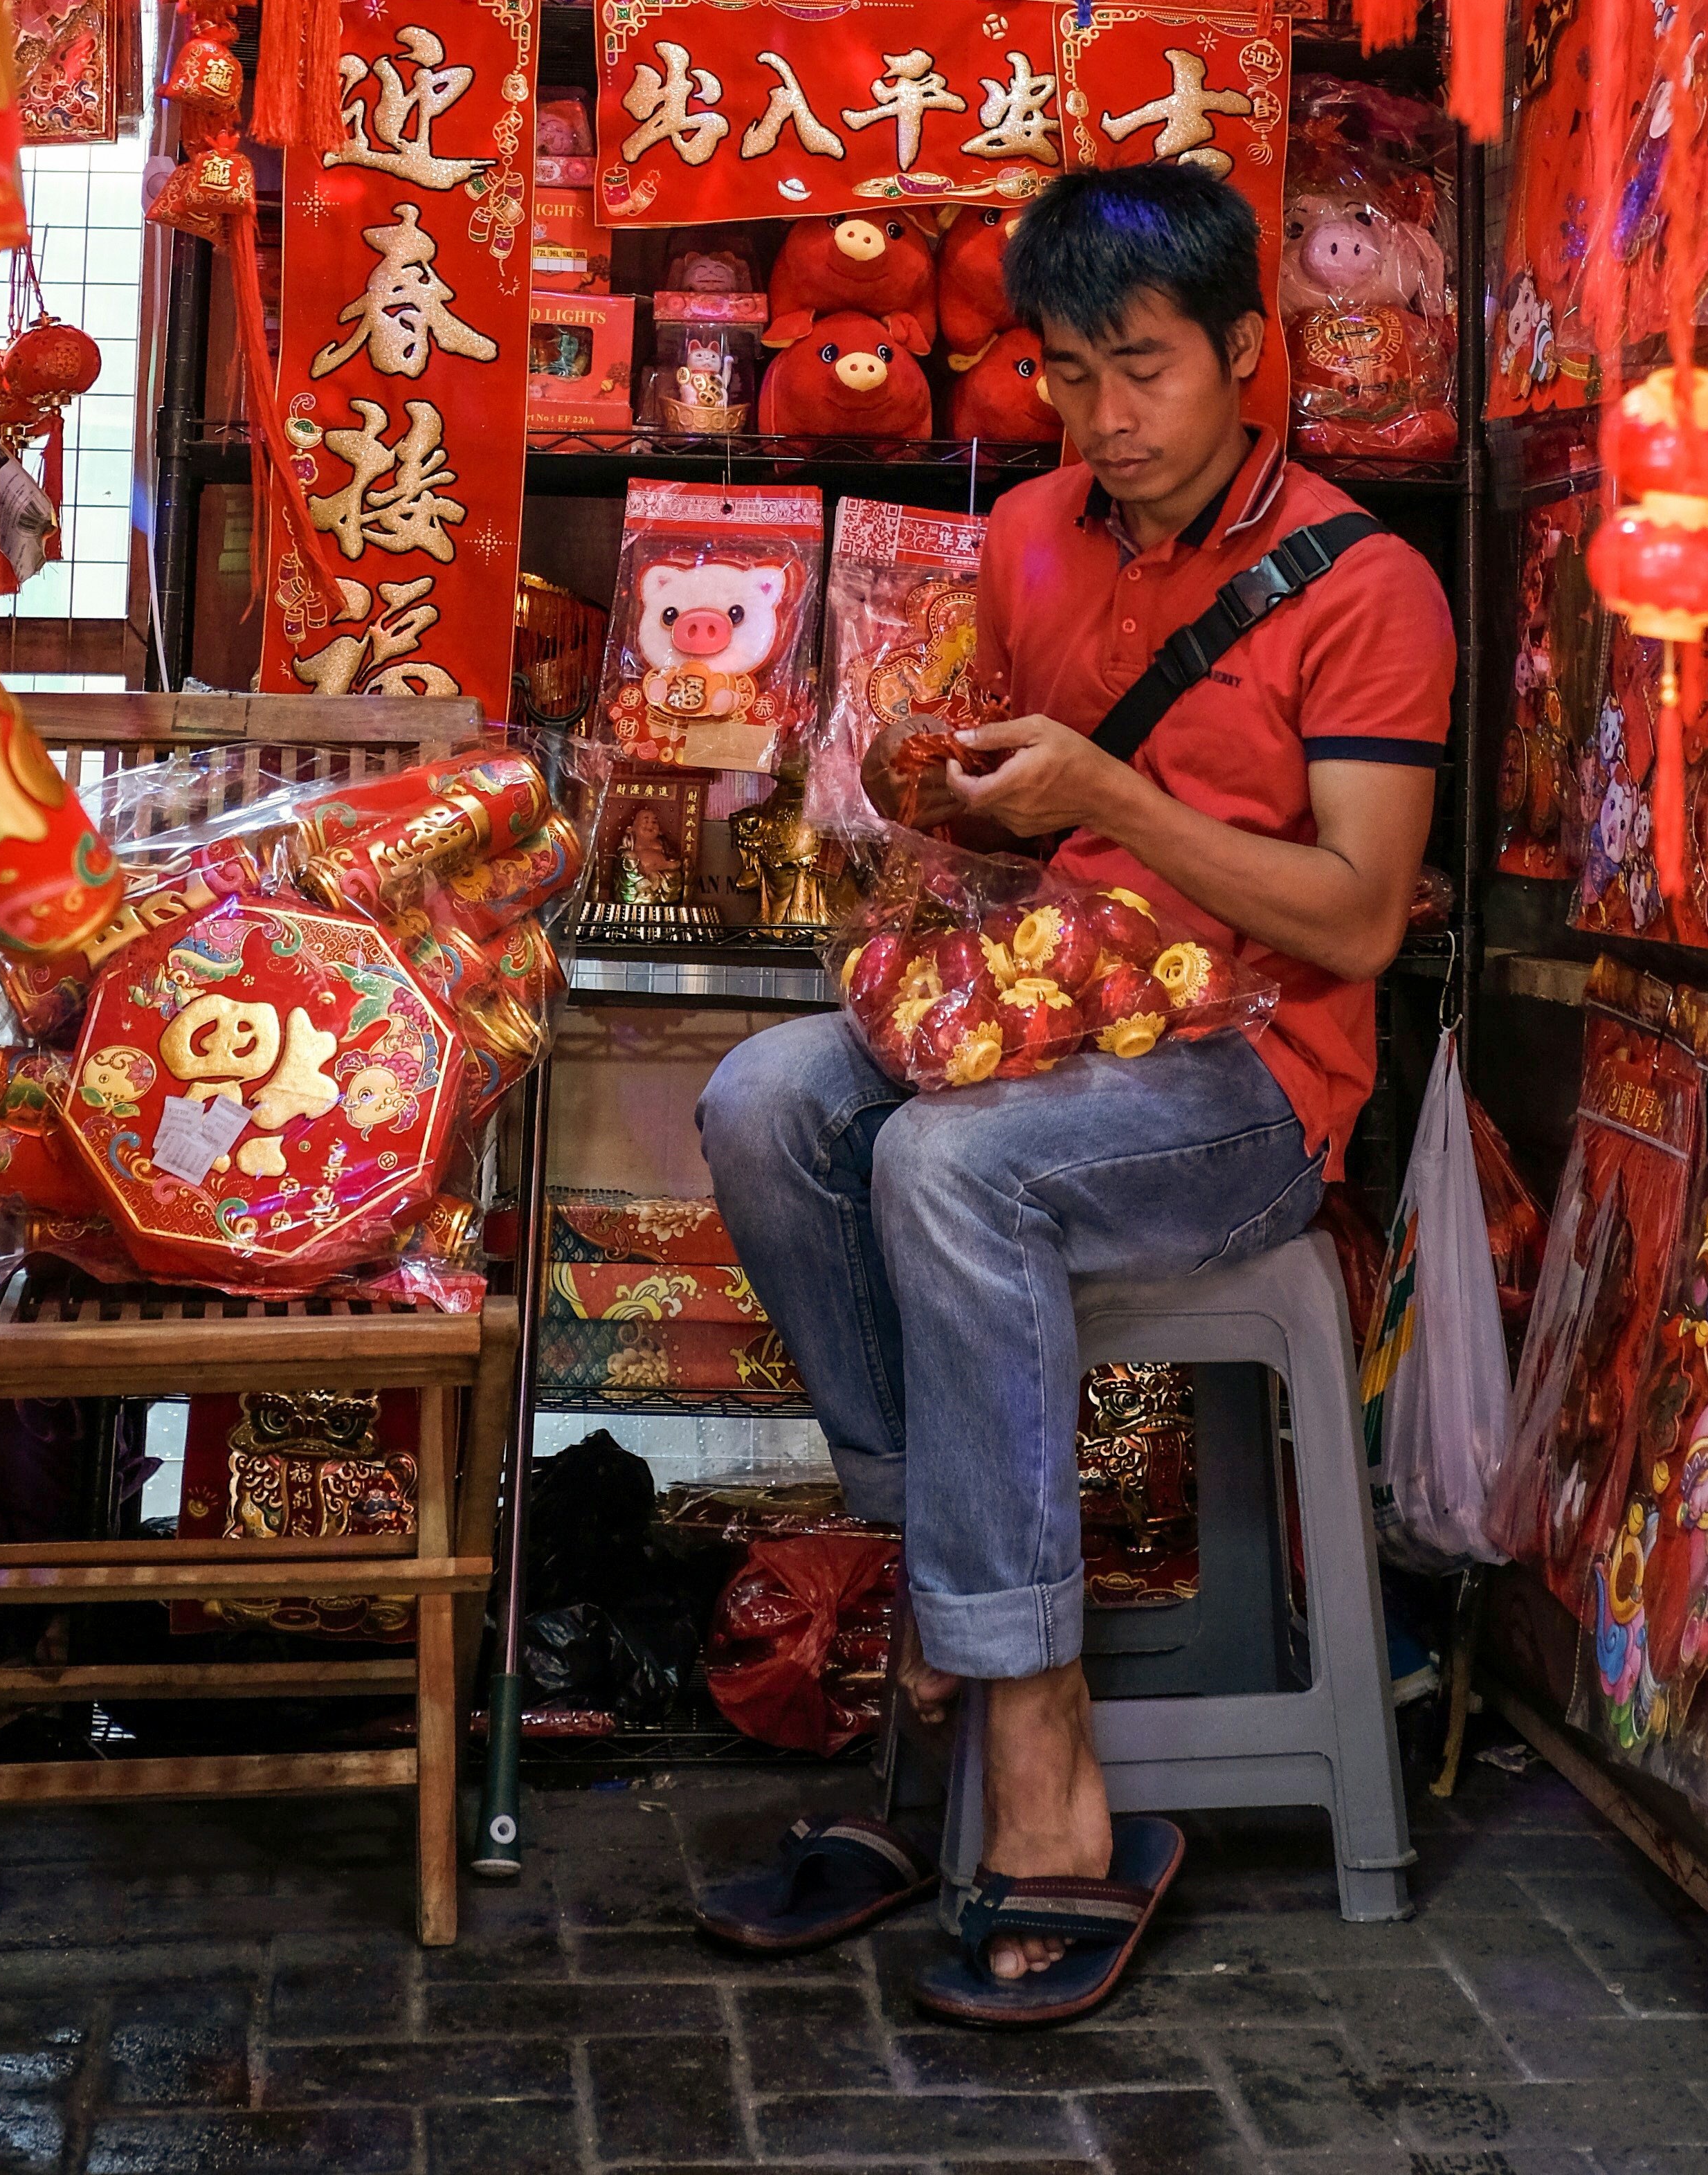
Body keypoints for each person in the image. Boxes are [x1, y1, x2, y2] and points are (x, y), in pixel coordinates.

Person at [694, 162, 1455, 2025]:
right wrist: (945, 799)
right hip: (1051, 1017)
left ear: (1247, 358)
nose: (1105, 422)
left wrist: (1103, 802)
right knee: (767, 1099)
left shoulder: (1370, 590)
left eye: (1144, 370)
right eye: (1067, 375)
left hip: (1251, 1083)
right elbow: (1018, 837)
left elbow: (1359, 918)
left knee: (950, 1169)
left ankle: (1031, 1767)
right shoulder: (1028, 533)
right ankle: (941, 1591)